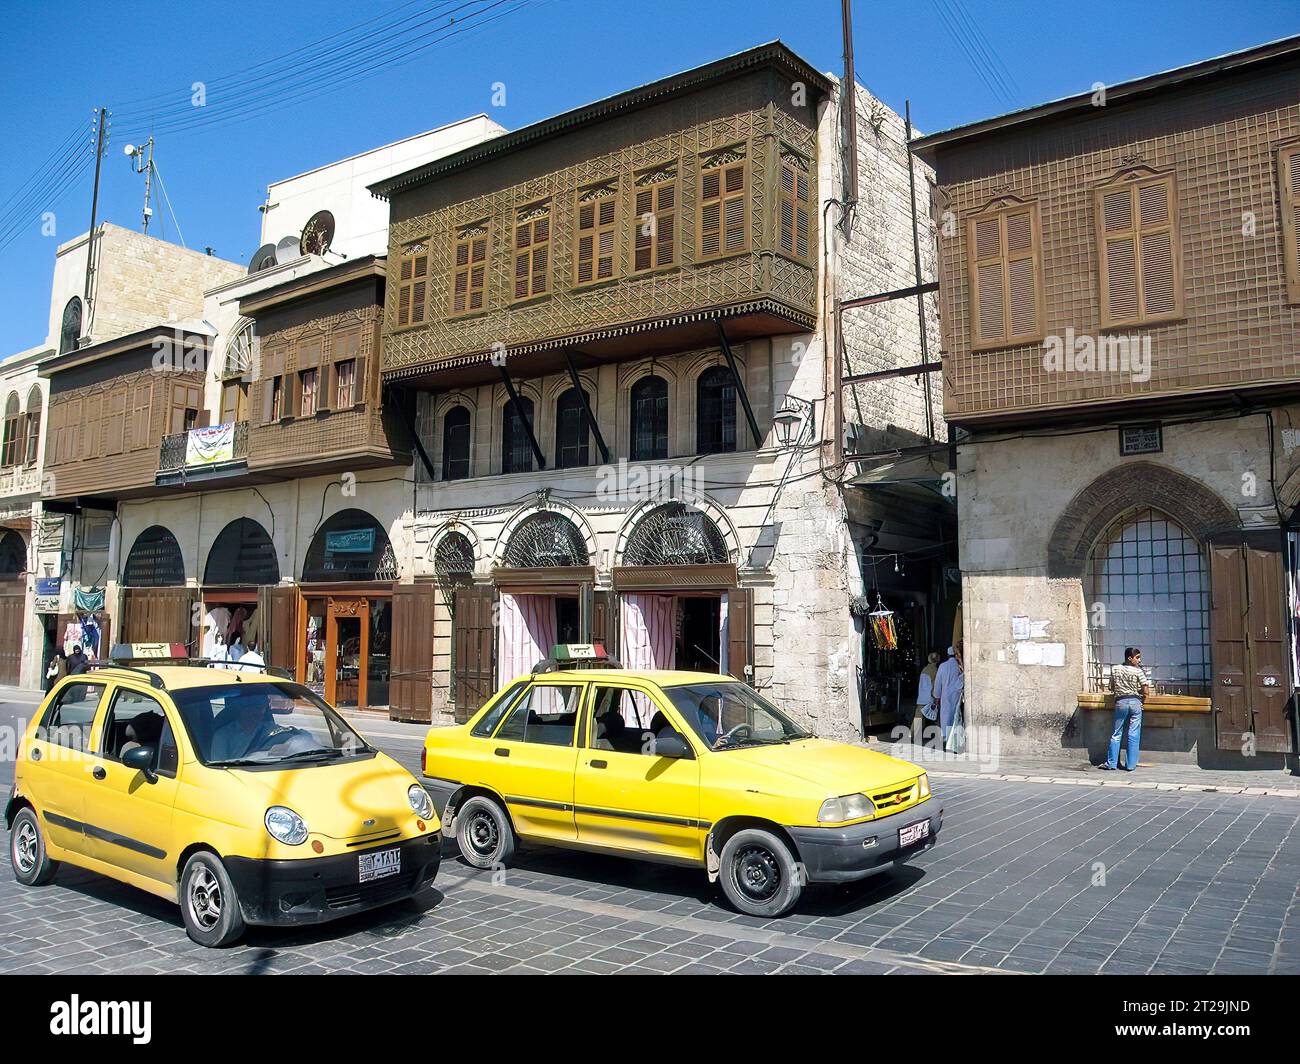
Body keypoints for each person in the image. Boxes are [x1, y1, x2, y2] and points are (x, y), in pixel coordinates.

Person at [1101, 646, 1149, 771]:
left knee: (1117, 732)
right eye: (1137, 657)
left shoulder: (1115, 669)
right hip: (1135, 702)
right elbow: (1145, 689)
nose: (1139, 660)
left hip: (1120, 702)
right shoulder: (1138, 671)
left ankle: (1111, 763)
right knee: (1133, 733)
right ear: (1130, 658)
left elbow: (1111, 686)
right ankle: (1131, 765)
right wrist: (1142, 695)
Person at [934, 644, 965, 748]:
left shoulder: (942, 666)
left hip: (945, 695)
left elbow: (938, 683)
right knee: (955, 716)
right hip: (956, 694)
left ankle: (946, 738)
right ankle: (955, 739)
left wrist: (936, 696)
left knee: (945, 715)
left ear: (947, 655)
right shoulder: (959, 666)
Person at [913, 651, 940, 744]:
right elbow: (935, 686)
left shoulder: (924, 669)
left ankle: (912, 735)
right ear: (937, 660)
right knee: (936, 717)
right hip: (929, 698)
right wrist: (936, 698)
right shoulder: (935, 671)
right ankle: (940, 736)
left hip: (921, 697)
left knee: (918, 718)